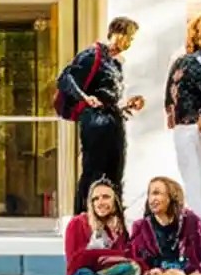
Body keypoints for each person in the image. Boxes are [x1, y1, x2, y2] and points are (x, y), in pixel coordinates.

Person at [58, 17, 146, 215]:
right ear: (117, 34)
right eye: (129, 38)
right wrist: (85, 98)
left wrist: (127, 104)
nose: (130, 43)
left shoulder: (116, 63)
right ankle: (84, 218)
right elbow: (65, 78)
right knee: (94, 171)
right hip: (95, 121)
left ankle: (112, 220)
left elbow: (109, 94)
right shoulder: (92, 55)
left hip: (113, 118)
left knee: (116, 170)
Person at [164, 14, 201, 247]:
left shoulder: (182, 62)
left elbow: (168, 95)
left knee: (194, 183)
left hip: (184, 127)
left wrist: (172, 115)